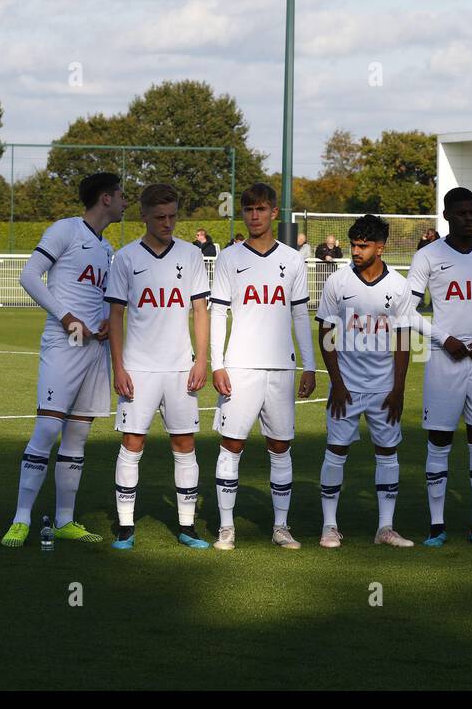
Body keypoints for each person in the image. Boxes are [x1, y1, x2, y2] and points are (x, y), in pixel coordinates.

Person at [1, 172, 123, 548]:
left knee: (78, 435)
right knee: (48, 430)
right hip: (64, 341)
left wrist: (103, 320)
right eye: (120, 196)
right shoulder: (65, 230)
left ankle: (66, 520)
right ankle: (21, 518)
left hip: (94, 350)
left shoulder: (106, 248)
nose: (124, 202)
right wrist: (68, 317)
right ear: (104, 198)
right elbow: (29, 276)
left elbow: (101, 295)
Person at [208, 183, 316, 550]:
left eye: (261, 209)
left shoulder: (293, 259)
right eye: (248, 210)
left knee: (280, 446)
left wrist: (310, 365)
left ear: (274, 213)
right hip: (239, 367)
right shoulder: (229, 258)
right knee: (231, 445)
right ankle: (226, 528)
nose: (254, 216)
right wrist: (217, 364)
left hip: (281, 369)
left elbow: (301, 315)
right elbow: (218, 312)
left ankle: (281, 527)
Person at [104, 184, 210, 550]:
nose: (168, 223)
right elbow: (115, 316)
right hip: (139, 368)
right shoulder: (126, 258)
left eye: (173, 216)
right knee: (133, 443)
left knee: (184, 444)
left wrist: (201, 359)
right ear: (144, 216)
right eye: (160, 217)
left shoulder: (192, 255)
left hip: (181, 368)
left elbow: (200, 311)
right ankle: (125, 525)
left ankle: (187, 525)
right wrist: (118, 367)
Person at [406, 187, 472, 548]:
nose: (469, 217)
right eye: (461, 212)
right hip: (445, 362)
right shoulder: (428, 255)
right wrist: (443, 338)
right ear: (447, 215)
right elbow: (406, 312)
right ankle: (437, 525)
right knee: (439, 442)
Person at [315, 215, 416, 548]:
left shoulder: (399, 286)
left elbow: (403, 340)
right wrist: (338, 383)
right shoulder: (338, 283)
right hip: (346, 386)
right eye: (353, 244)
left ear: (380, 247)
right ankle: (329, 526)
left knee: (387, 453)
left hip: (384, 387)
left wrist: (398, 389)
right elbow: (326, 332)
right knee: (336, 450)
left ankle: (385, 528)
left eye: (363, 245)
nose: (355, 251)